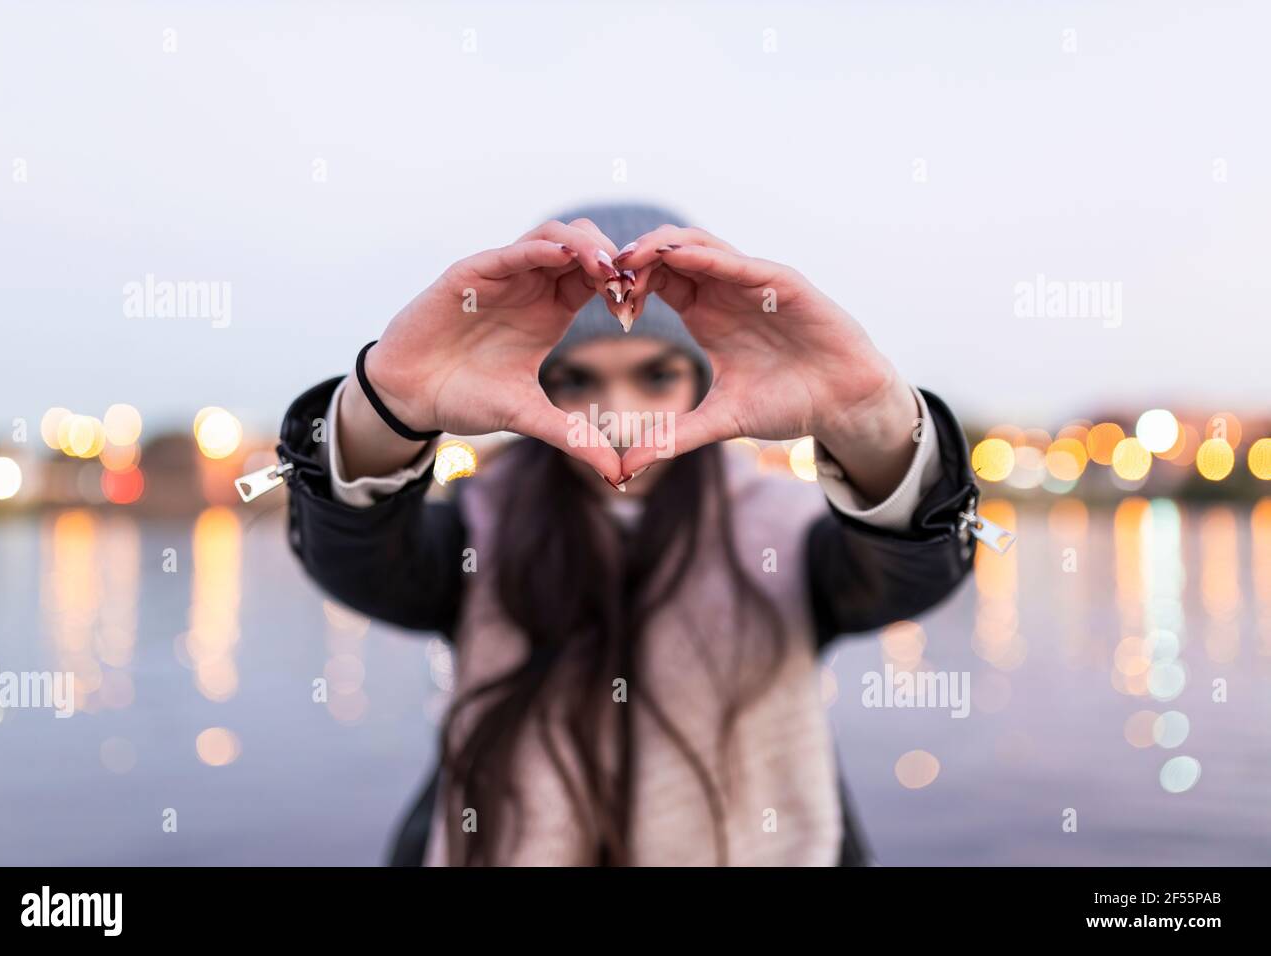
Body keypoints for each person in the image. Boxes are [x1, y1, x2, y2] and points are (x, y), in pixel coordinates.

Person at [277, 203, 980, 866]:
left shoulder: (789, 533)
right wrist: (387, 408)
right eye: (577, 377)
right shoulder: (477, 525)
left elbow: (907, 574)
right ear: (534, 385)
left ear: (707, 375)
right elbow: (359, 560)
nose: (618, 411)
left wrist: (871, 422)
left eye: (656, 373)